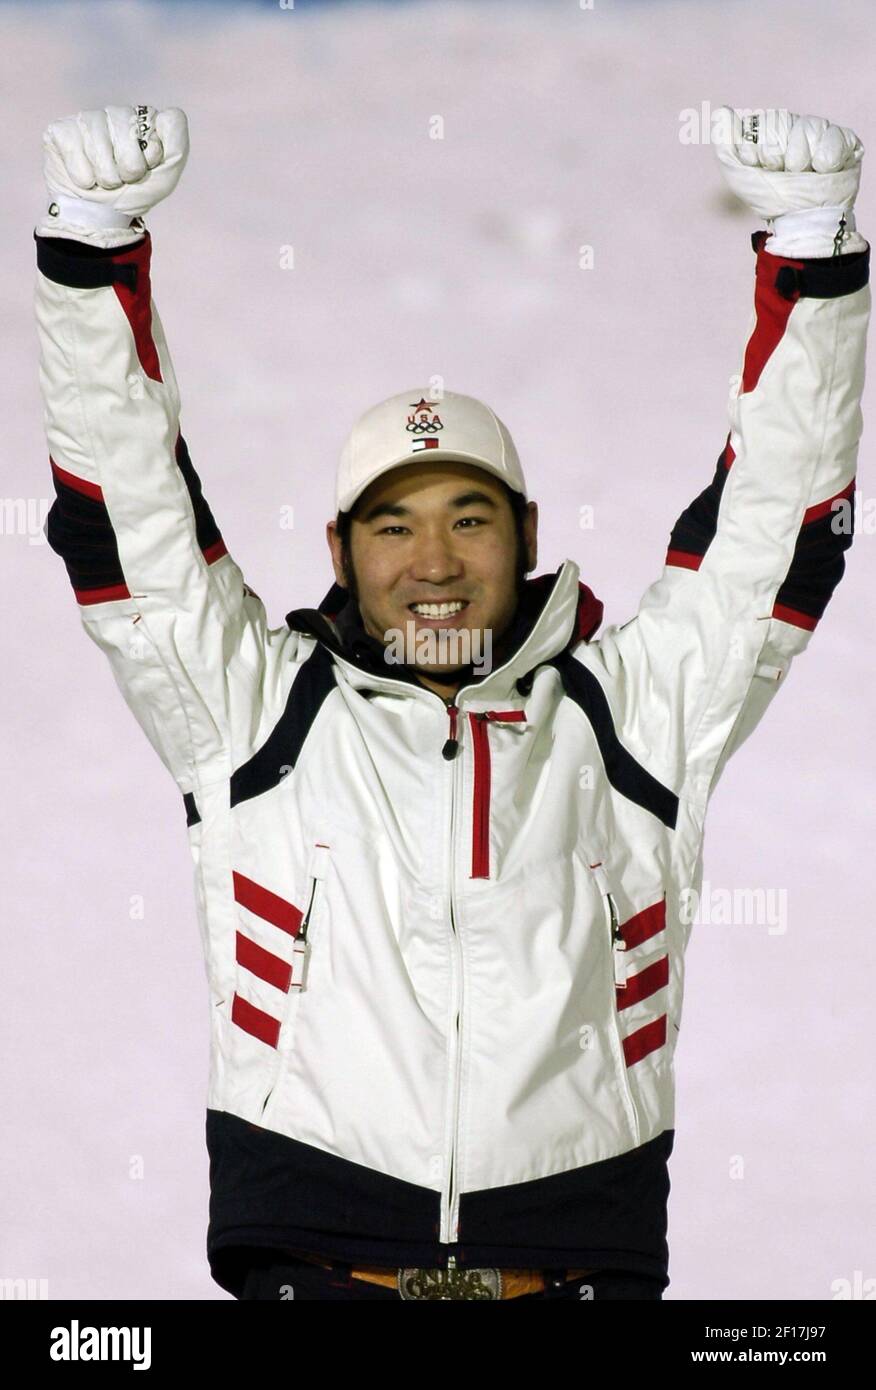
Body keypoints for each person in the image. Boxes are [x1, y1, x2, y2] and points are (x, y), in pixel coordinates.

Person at [34, 104, 869, 1302]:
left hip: (576, 1268)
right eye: (393, 525)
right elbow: (131, 521)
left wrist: (811, 257)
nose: (432, 562)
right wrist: (91, 251)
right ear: (340, 547)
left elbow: (772, 540)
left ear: (527, 536)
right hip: (313, 1265)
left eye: (469, 519)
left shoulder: (630, 710)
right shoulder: (257, 707)